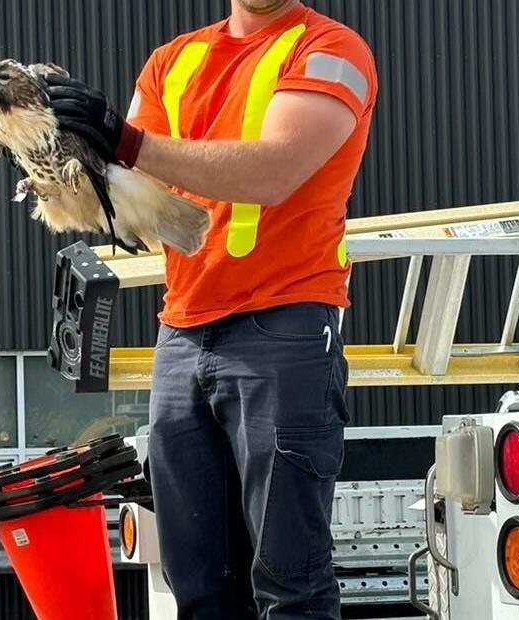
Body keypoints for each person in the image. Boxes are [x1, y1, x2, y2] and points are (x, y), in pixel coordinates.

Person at [43, 1, 377, 618]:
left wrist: (123, 140)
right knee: (198, 585)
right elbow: (131, 187)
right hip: (184, 332)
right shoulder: (171, 62)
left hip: (286, 323)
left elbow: (274, 170)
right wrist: (63, 149)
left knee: (289, 582)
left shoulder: (332, 50)